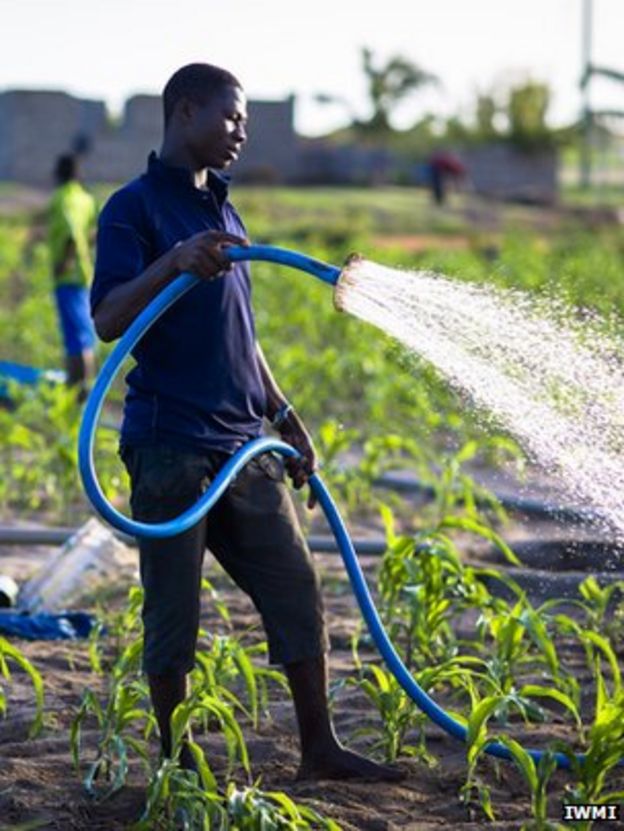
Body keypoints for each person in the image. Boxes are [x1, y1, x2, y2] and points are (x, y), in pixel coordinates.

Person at [91, 63, 404, 783]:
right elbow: (108, 318)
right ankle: (174, 759)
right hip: (172, 447)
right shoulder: (131, 209)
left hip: (243, 443)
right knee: (174, 616)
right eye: (231, 118)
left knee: (296, 590)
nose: (241, 132)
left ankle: (319, 747)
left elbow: (243, 334)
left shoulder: (227, 213)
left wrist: (285, 414)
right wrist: (172, 263)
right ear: (186, 110)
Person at [48, 154, 98, 397]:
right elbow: (95, 231)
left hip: (67, 276)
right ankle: (83, 389)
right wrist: (83, 251)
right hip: (84, 273)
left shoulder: (62, 198)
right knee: (83, 332)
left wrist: (64, 262)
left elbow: (69, 232)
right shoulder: (85, 198)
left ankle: (78, 391)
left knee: (75, 337)